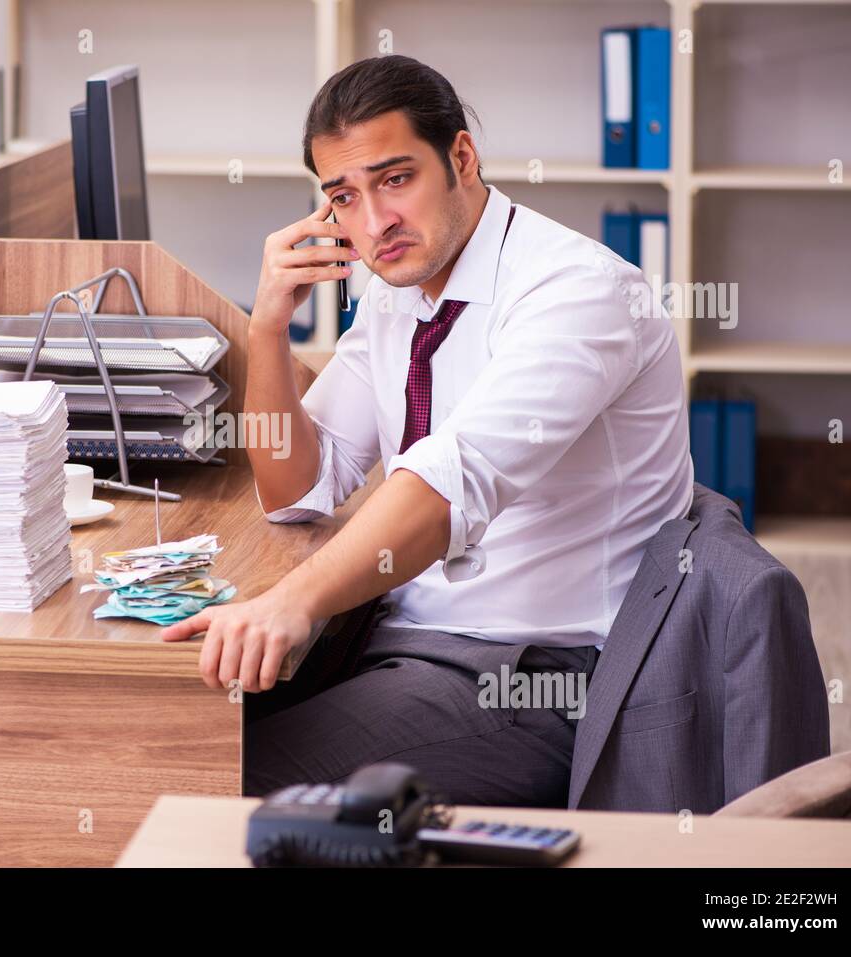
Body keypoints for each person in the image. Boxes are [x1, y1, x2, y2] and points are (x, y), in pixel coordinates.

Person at [161, 55, 692, 805]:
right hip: (412, 639)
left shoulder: (578, 292)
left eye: (395, 179)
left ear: (462, 158)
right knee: (161, 729)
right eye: (345, 197)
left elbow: (451, 481)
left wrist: (295, 601)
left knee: (204, 777)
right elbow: (299, 487)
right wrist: (270, 326)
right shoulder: (397, 296)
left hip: (533, 677)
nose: (375, 222)